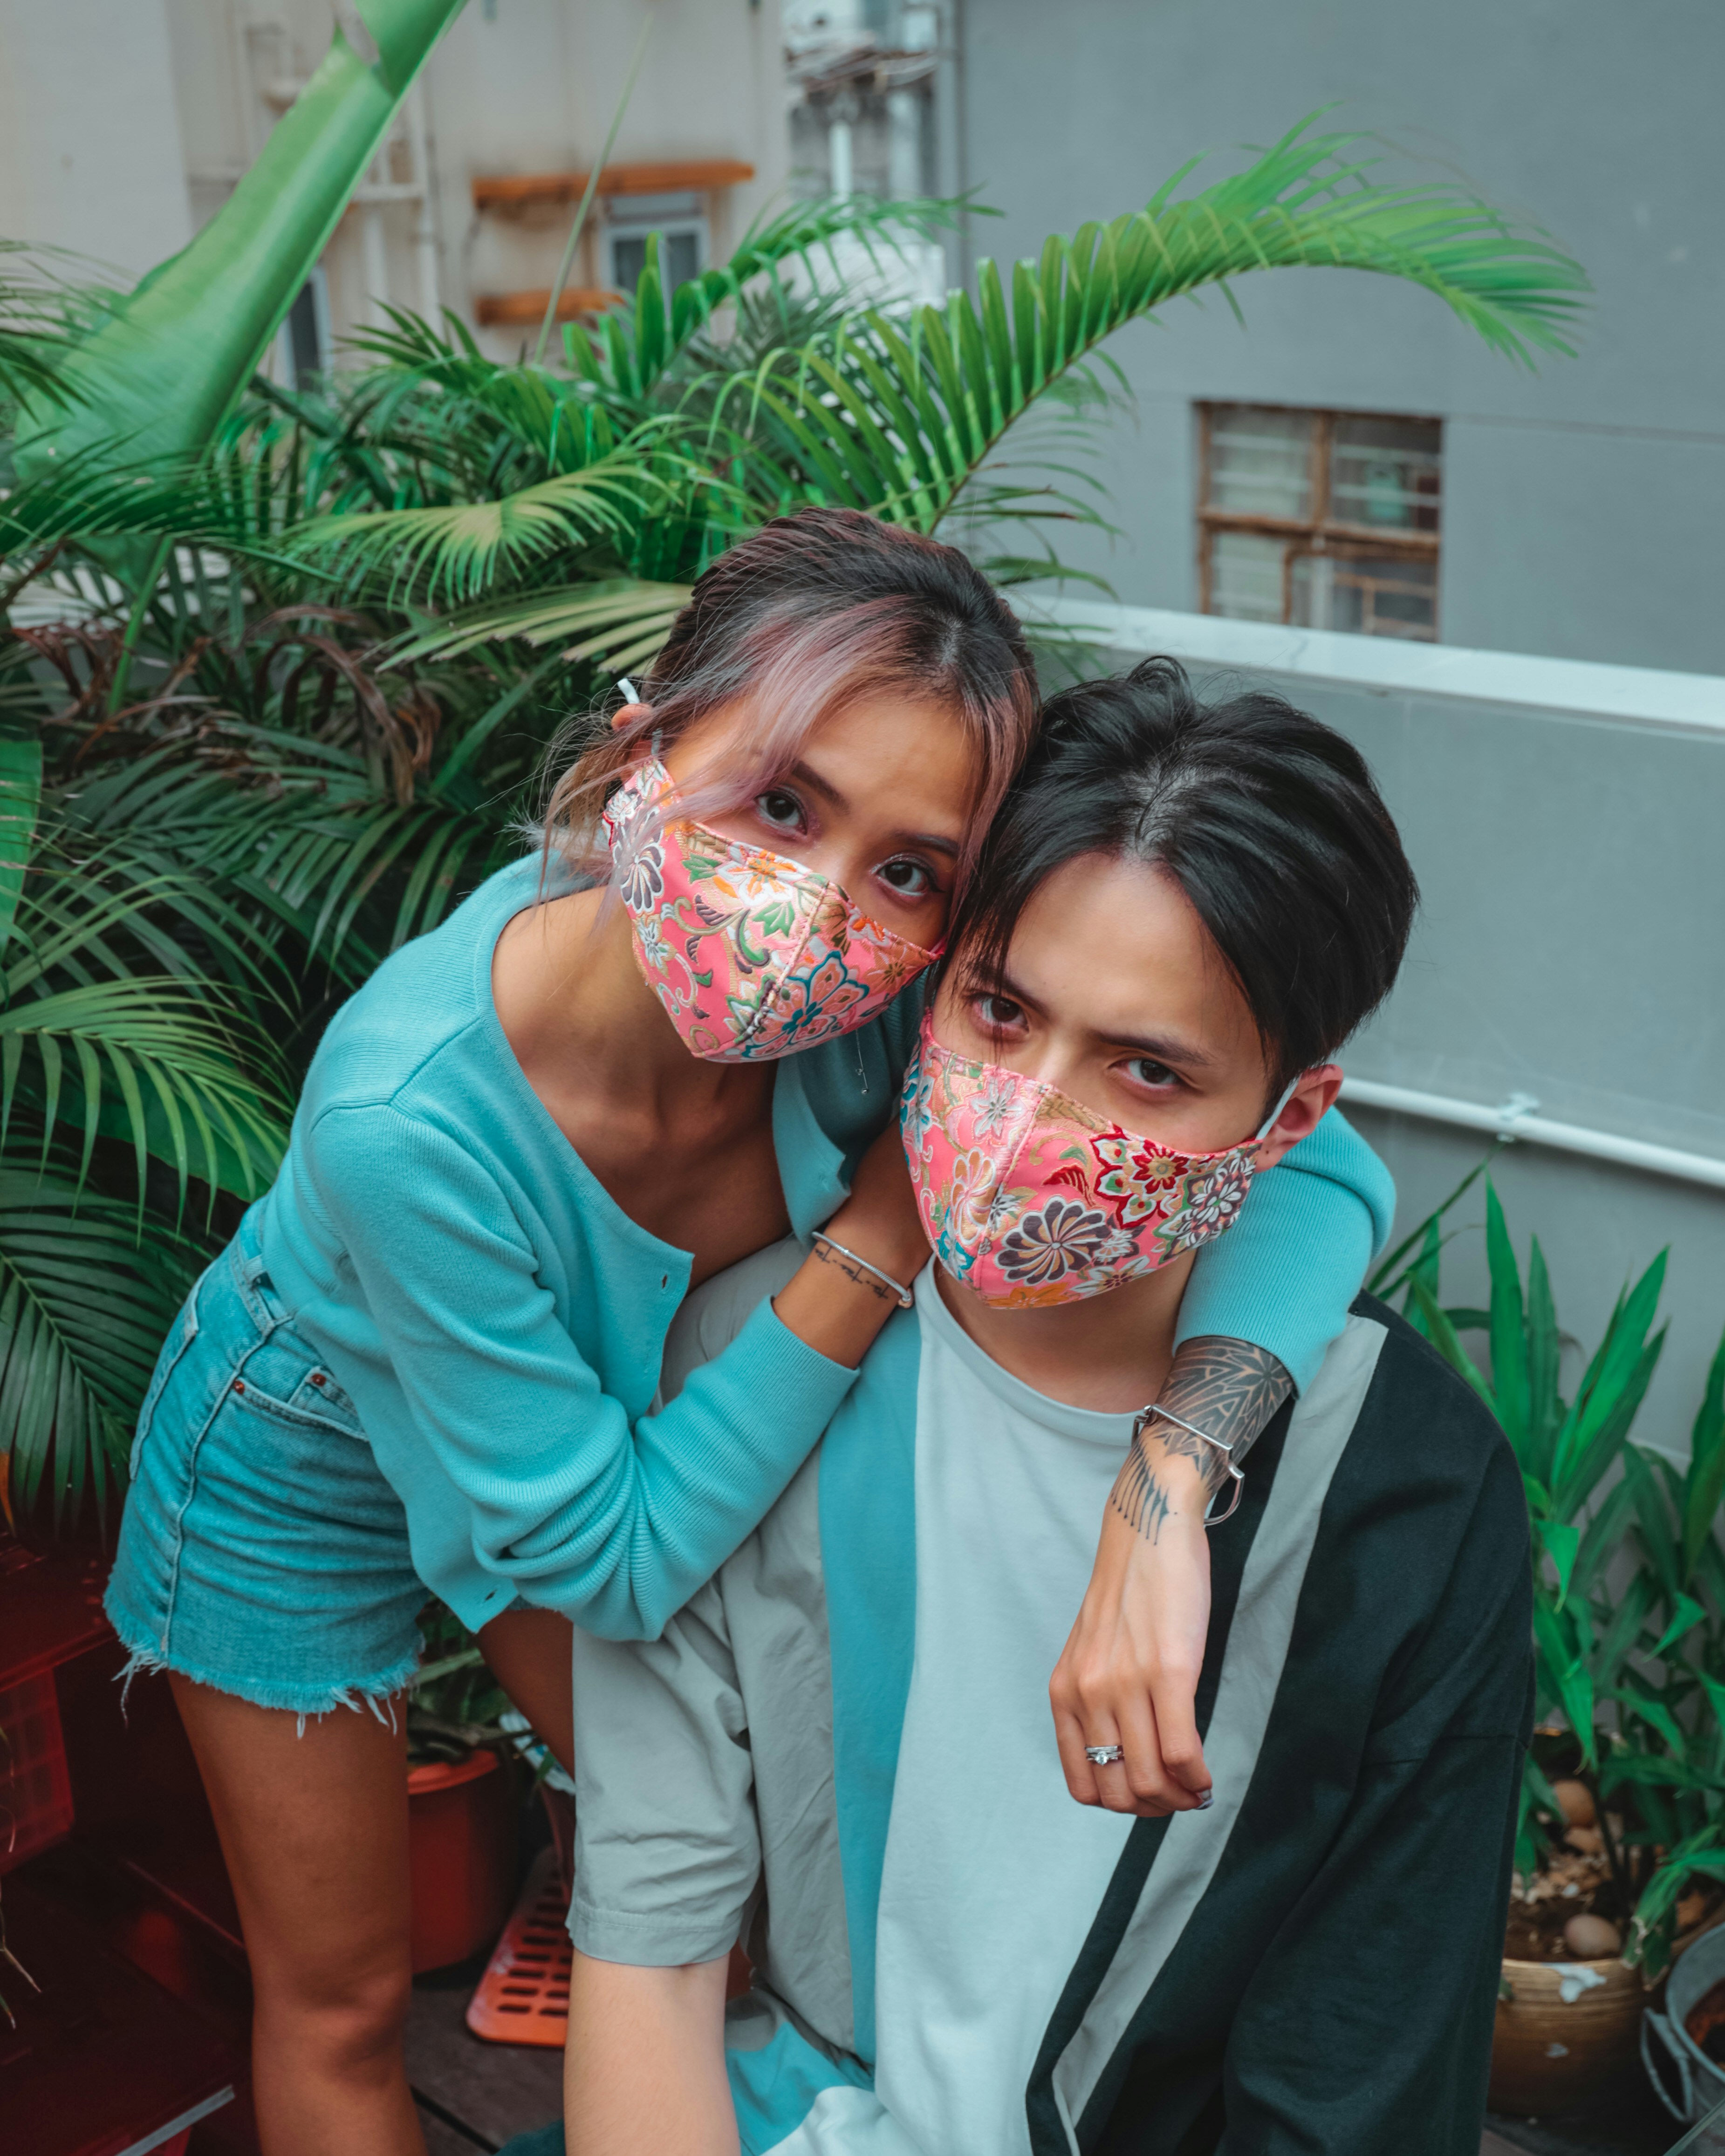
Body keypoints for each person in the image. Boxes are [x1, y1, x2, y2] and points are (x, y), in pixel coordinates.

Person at [103, 511, 1390, 2156]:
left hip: (617, 1452)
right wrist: (874, 1235)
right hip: (310, 1442)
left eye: (909, 868)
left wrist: (1173, 1472)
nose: (818, 902)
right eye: (780, 803)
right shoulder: (403, 1120)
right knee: (344, 1995)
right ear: (647, 743)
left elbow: (1313, 1159)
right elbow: (615, 1558)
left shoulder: (890, 1004)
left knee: (739, 1892)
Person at [554, 660, 1532, 2156]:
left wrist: (1173, 1478)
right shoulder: (746, 1375)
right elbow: (654, 1935)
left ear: (1291, 1122)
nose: (1030, 1116)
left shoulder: (1404, 1490)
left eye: (1146, 1067)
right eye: (1001, 1012)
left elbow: (1358, 2077)